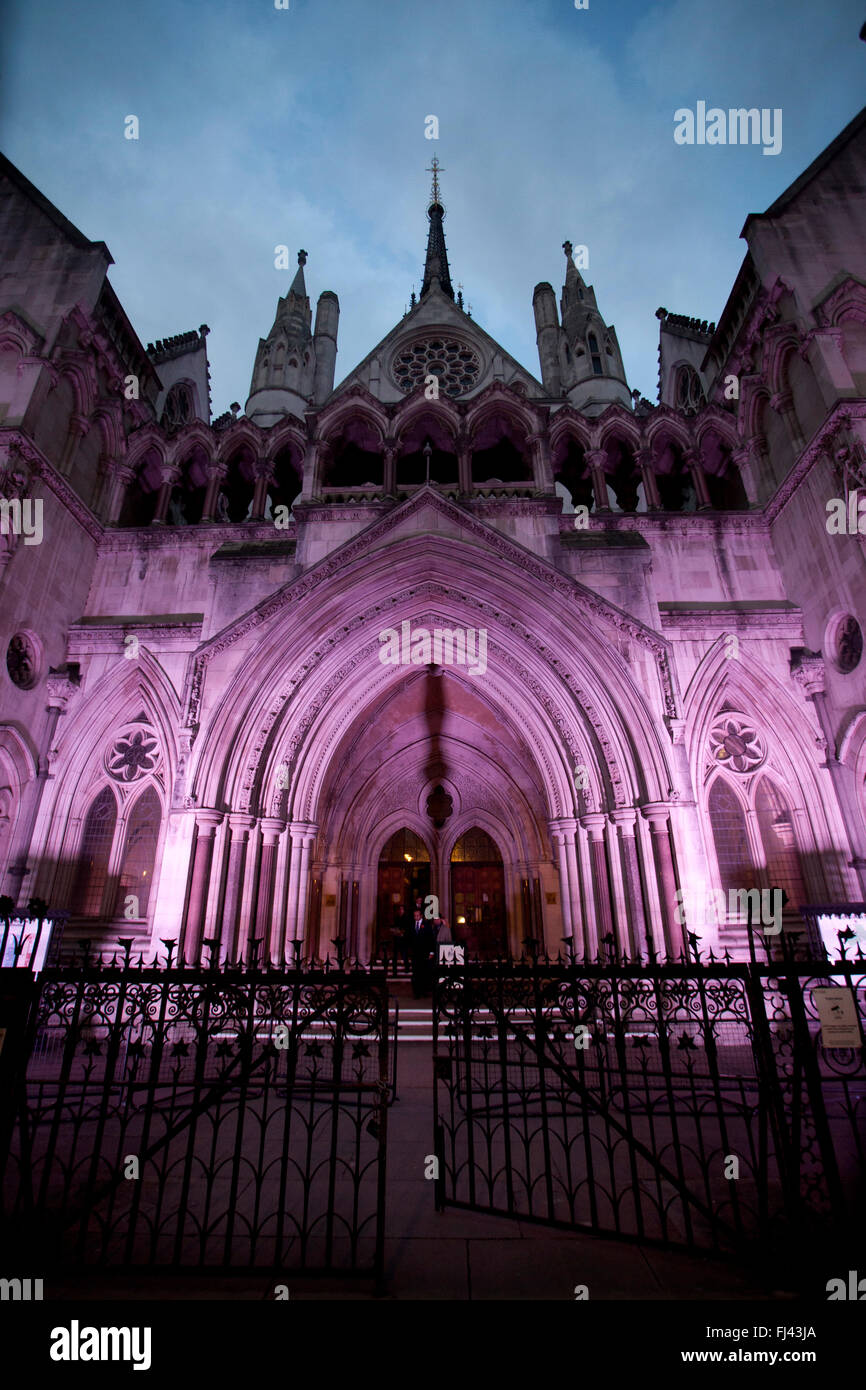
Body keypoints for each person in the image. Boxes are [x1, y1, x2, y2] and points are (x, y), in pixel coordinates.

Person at [408, 907, 438, 997]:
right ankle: (416, 992)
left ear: (421, 916)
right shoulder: (411, 925)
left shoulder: (427, 925)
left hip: (424, 953)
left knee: (423, 973)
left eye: (417, 915)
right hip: (415, 954)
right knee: (415, 973)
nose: (416, 917)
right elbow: (409, 939)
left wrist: (432, 952)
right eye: (415, 916)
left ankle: (423, 991)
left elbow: (431, 939)